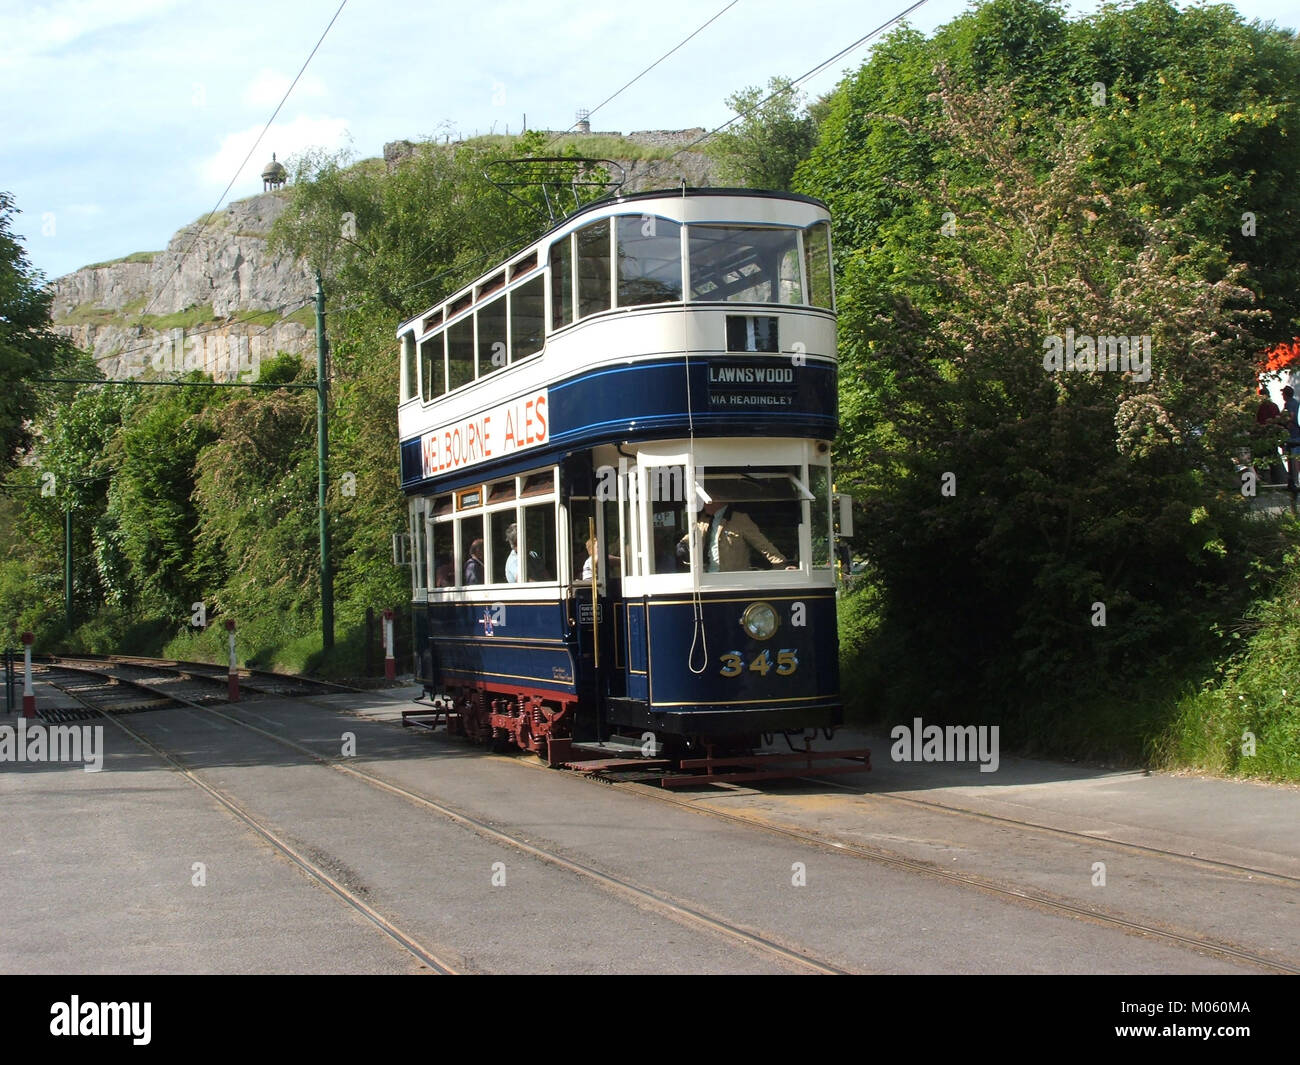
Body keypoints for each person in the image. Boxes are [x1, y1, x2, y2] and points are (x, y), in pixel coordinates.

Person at [677, 500, 796, 572]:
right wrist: (683, 545)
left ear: (715, 499)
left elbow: (763, 545)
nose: (702, 503)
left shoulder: (739, 519)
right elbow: (693, 536)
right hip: (707, 580)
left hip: (732, 581)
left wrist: (783, 565)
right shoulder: (704, 520)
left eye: (704, 498)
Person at [1284, 385, 1300, 492]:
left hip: (1292, 434)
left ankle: (1294, 481)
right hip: (1298, 432)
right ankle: (1295, 480)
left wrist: (1286, 424)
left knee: (1293, 457)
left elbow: (1291, 416)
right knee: (1297, 456)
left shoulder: (1289, 403)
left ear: (1285, 394)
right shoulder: (1297, 402)